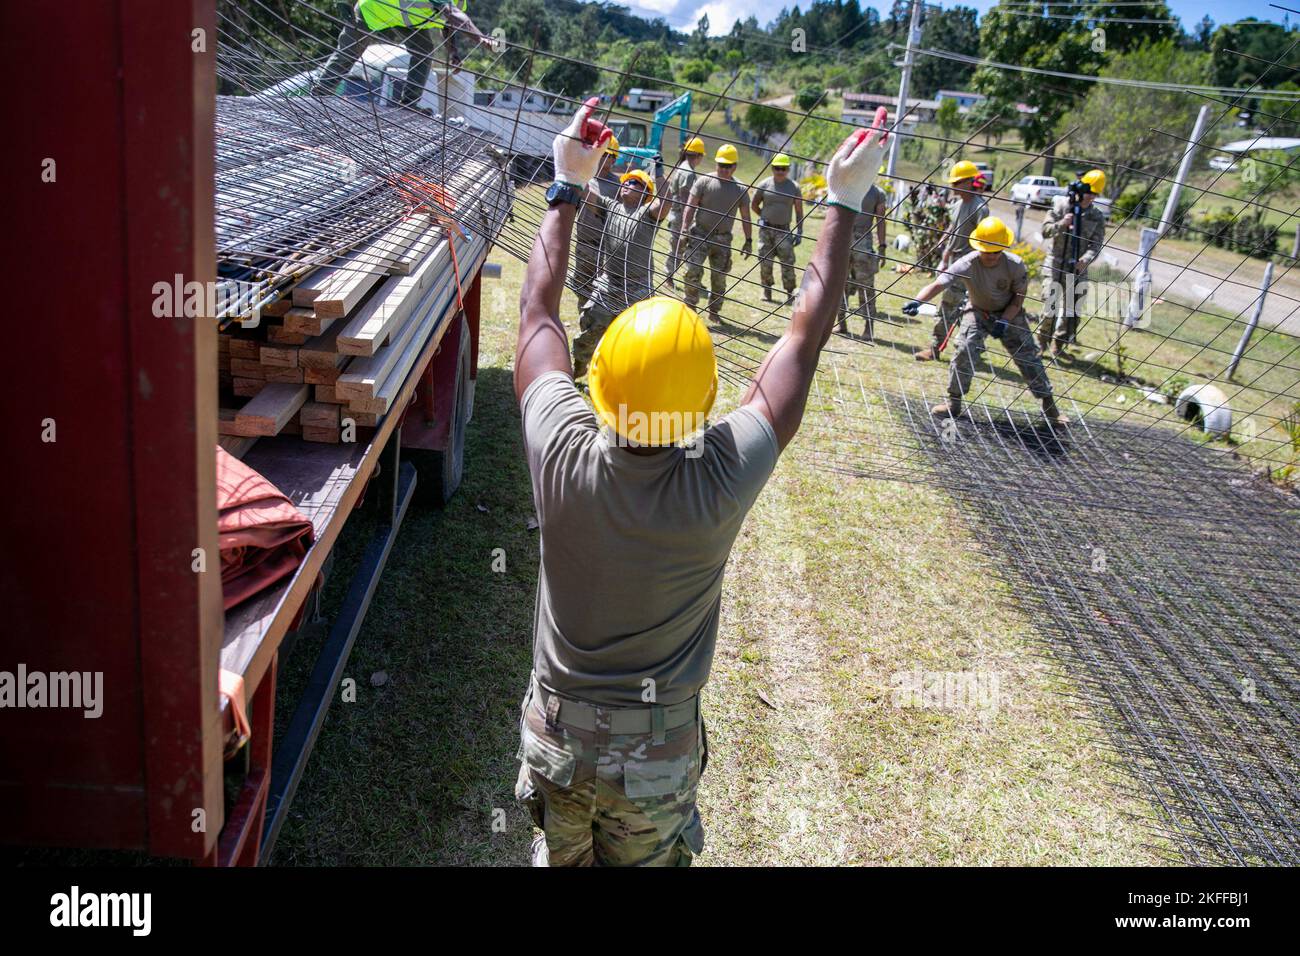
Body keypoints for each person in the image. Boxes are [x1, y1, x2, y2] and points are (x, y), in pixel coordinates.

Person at [511, 99, 890, 866]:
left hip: (554, 734)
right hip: (656, 755)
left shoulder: (561, 446)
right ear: (705, 406)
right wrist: (845, 199)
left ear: (599, 381)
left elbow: (536, 319)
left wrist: (566, 183)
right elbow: (801, 339)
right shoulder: (719, 477)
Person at [902, 216, 1068, 426]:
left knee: (1029, 359)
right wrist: (917, 301)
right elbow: (940, 283)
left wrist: (1005, 321)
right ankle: (954, 402)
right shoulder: (967, 263)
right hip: (978, 312)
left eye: (996, 252)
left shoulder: (1015, 266)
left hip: (1010, 314)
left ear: (1003, 248)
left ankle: (1051, 409)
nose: (990, 257)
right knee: (964, 350)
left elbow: (1018, 300)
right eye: (986, 252)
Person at [571, 169, 672, 380]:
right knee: (591, 327)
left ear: (645, 194)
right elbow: (585, 192)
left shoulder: (647, 214)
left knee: (633, 339)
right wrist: (580, 166)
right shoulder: (610, 207)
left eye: (636, 183)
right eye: (627, 181)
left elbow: (665, 202)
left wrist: (659, 173)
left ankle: (616, 378)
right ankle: (581, 366)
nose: (628, 184)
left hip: (637, 289)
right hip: (609, 283)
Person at [312, 1, 494, 109]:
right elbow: (454, 15)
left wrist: (453, 53)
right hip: (374, 9)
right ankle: (320, 95)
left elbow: (447, 24)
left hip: (402, 17)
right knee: (350, 51)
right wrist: (481, 39)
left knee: (423, 50)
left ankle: (408, 104)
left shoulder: (460, 1)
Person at [915, 160, 989, 361]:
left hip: (970, 266)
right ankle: (936, 348)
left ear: (969, 182)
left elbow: (984, 240)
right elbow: (954, 230)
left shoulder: (980, 208)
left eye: (957, 182)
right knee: (947, 306)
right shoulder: (957, 205)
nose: (953, 186)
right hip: (954, 261)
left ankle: (971, 348)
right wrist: (944, 257)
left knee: (969, 310)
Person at [677, 144, 753, 322]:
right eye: (721, 165)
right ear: (716, 164)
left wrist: (748, 240)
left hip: (723, 239)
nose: (724, 169)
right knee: (692, 271)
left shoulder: (740, 189)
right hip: (700, 234)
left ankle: (714, 311)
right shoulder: (703, 181)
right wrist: (684, 229)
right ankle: (690, 308)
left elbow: (746, 217)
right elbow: (690, 206)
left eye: (729, 166)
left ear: (735, 166)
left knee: (719, 278)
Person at [1039, 169, 1108, 359]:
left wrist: (1085, 259)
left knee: (1073, 310)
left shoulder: (1096, 216)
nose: (1090, 197)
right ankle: (1041, 343)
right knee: (1050, 307)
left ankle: (1059, 345)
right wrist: (1062, 223)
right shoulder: (1061, 206)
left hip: (1077, 270)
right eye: (1088, 192)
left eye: (1094, 194)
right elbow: (1045, 231)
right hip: (1055, 265)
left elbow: (1096, 244)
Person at [571, 136, 621, 306]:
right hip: (584, 245)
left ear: (614, 159)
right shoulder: (584, 179)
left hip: (606, 248)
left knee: (603, 293)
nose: (602, 157)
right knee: (581, 287)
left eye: (607, 154)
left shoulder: (619, 186)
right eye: (600, 153)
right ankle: (584, 323)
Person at [751, 154, 805, 304]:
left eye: (783, 168)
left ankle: (789, 292)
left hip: (784, 231)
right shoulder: (764, 184)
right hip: (766, 230)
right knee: (765, 261)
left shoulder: (794, 187)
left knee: (787, 263)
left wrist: (799, 231)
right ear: (772, 168)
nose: (780, 171)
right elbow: (754, 204)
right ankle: (766, 290)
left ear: (788, 169)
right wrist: (764, 216)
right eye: (777, 168)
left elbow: (799, 210)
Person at [838, 180, 888, 340]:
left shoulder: (877, 193)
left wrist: (882, 246)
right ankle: (841, 323)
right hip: (843, 238)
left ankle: (868, 327)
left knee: (866, 285)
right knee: (839, 283)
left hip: (863, 242)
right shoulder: (847, 186)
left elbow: (881, 220)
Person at [662, 137, 706, 289]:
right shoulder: (688, 173)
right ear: (699, 156)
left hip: (678, 214)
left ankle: (693, 280)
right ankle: (668, 278)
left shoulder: (684, 168)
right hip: (681, 216)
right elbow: (685, 198)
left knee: (684, 248)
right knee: (678, 248)